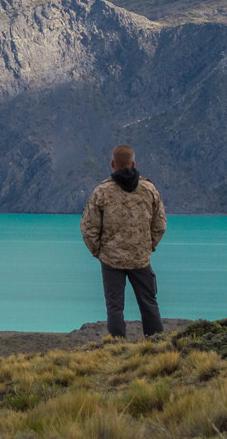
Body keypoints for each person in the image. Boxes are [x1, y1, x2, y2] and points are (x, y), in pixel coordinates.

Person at [80, 143, 167, 339]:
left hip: (111, 259)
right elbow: (160, 224)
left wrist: (98, 252)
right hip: (140, 258)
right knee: (148, 302)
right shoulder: (149, 189)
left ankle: (117, 348)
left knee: (114, 306)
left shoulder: (101, 192)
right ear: (133, 163)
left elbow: (88, 227)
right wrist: (148, 246)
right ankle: (158, 346)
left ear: (113, 164)